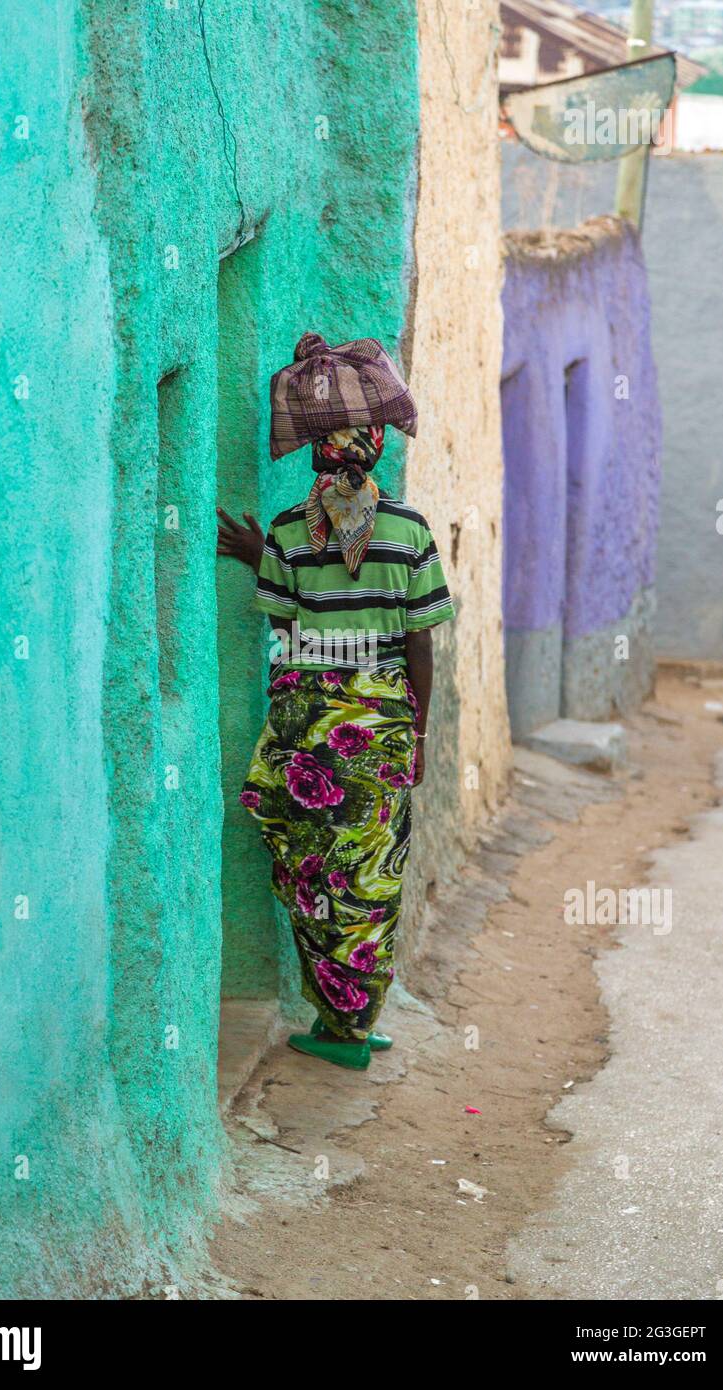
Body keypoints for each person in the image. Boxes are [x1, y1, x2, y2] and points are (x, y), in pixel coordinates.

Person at [216, 333, 454, 1071]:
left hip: (310, 729)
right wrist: (416, 733)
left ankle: (340, 1022)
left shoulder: (289, 533)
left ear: (318, 455)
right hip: (380, 728)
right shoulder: (410, 532)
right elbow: (420, 645)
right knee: (372, 874)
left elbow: (287, 633)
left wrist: (268, 559)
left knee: (316, 870)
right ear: (376, 449)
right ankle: (354, 1020)